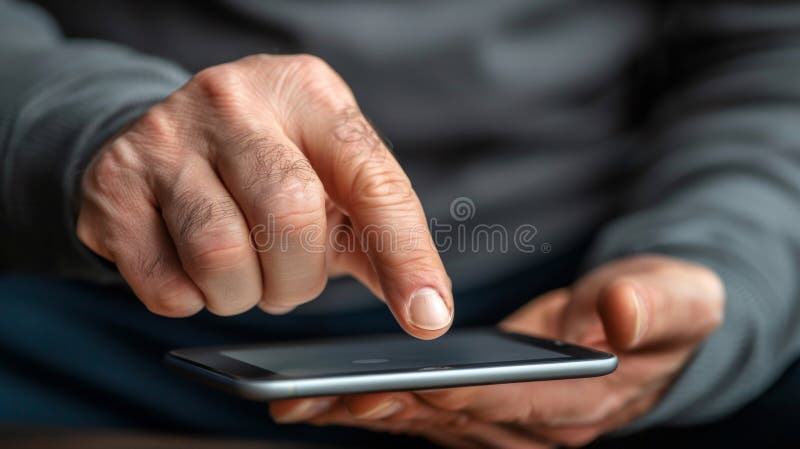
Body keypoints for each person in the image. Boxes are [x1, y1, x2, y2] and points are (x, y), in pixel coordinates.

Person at [1, 0, 799, 447]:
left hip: (576, 270)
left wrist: (720, 261)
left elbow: (773, 48)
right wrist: (77, 131)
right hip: (81, 268)